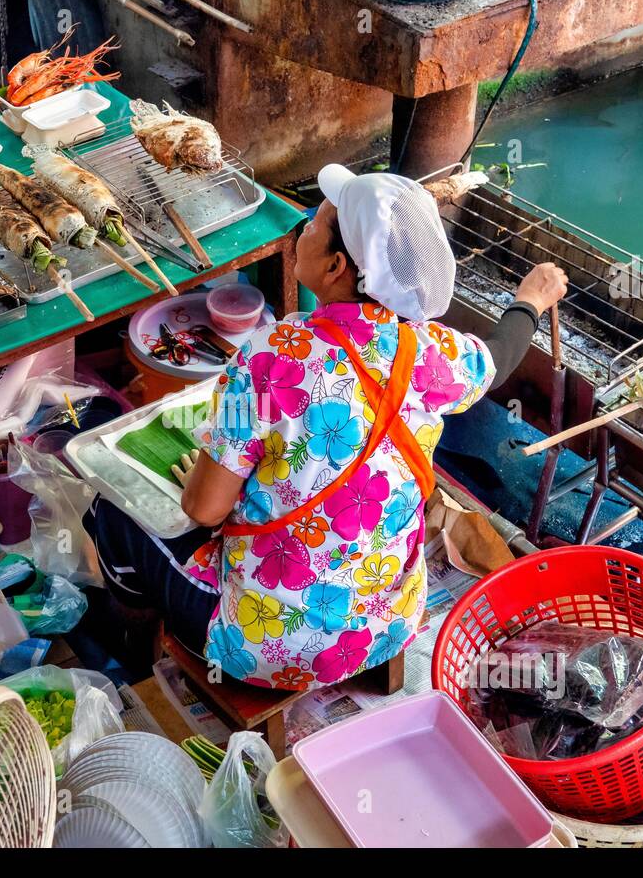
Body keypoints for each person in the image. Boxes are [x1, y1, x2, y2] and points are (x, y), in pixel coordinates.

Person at [85, 165, 568, 691]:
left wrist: (204, 479)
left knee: (111, 512)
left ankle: (130, 653)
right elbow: (500, 355)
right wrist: (530, 301)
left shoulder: (266, 359)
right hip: (387, 627)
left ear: (338, 265)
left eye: (314, 224)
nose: (302, 232)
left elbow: (204, 509)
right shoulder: (433, 352)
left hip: (266, 649)